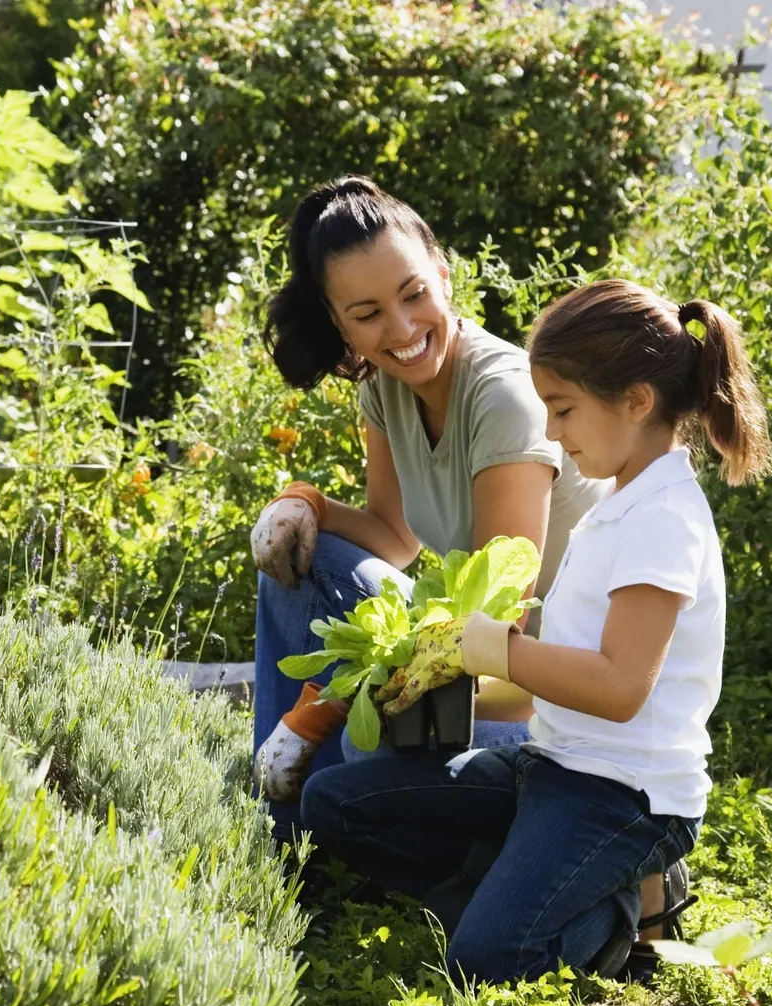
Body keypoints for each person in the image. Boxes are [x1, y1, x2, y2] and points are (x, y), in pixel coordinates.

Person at [300, 278, 772, 981]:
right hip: (551, 765)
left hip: (625, 796)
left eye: (563, 410)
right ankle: (521, 878)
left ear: (636, 402)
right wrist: (436, 687)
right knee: (336, 802)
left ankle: (619, 909)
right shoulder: (617, 505)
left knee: (485, 962)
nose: (551, 433)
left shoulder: (664, 521)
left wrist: (500, 648)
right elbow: (550, 686)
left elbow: (619, 690)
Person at [249, 176, 607, 825]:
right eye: (368, 315)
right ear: (340, 322)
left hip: (544, 706)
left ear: (443, 276)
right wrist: (308, 505)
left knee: (364, 757)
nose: (403, 327)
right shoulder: (385, 388)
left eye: (414, 294)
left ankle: (317, 825)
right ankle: (280, 837)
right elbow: (394, 536)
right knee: (297, 561)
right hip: (465, 670)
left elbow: (496, 627)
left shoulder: (503, 398)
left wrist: (326, 708)